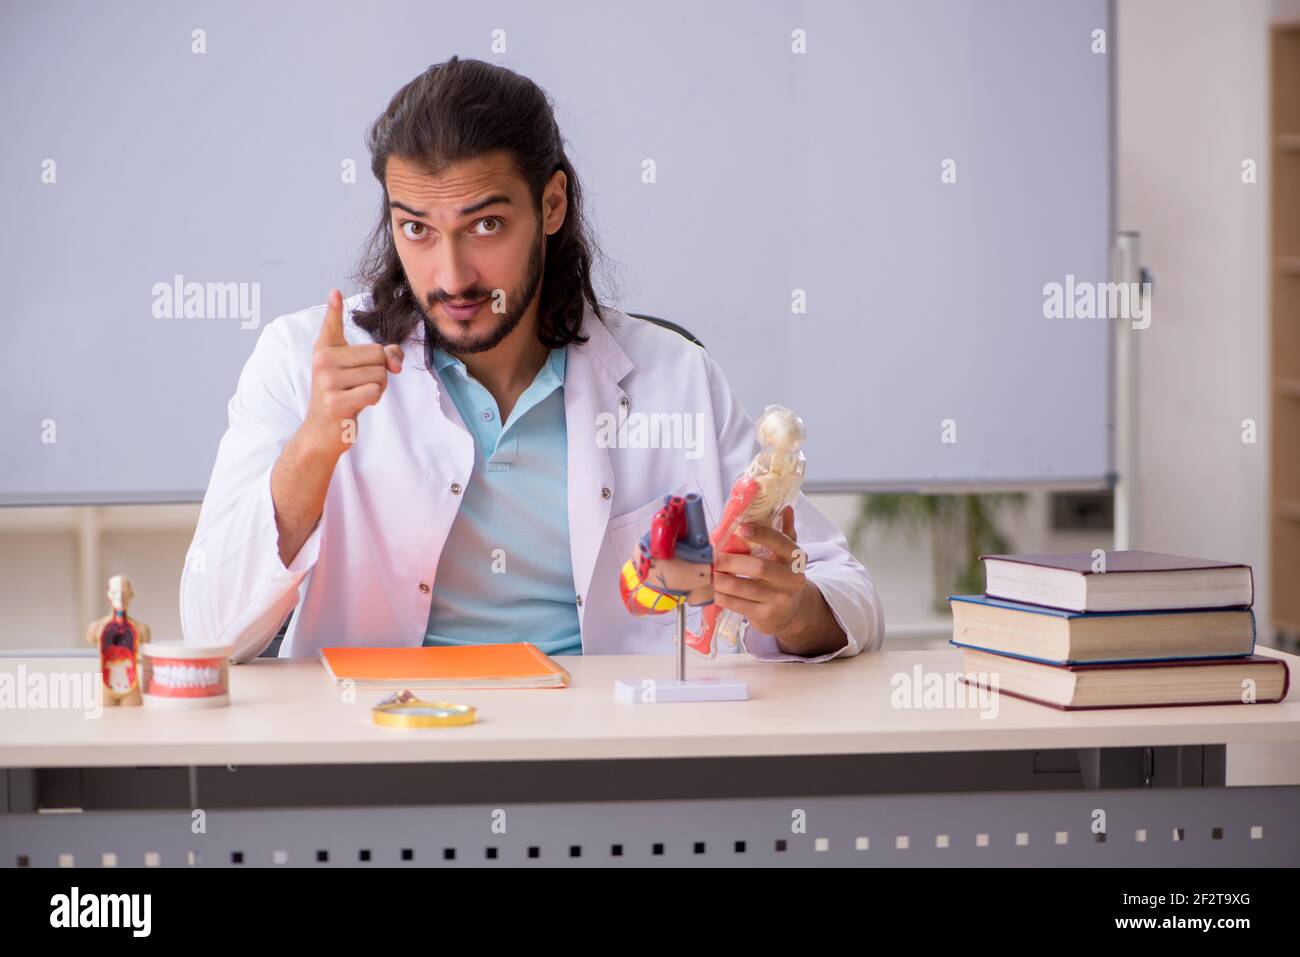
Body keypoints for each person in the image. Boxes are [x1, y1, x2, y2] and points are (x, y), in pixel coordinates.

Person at [180, 57, 885, 664]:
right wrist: (311, 448)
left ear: (551, 204)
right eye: (416, 229)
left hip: (597, 769)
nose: (451, 275)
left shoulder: (673, 378)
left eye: (485, 225)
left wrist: (792, 612)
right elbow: (211, 630)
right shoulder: (303, 364)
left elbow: (849, 592)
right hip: (378, 760)